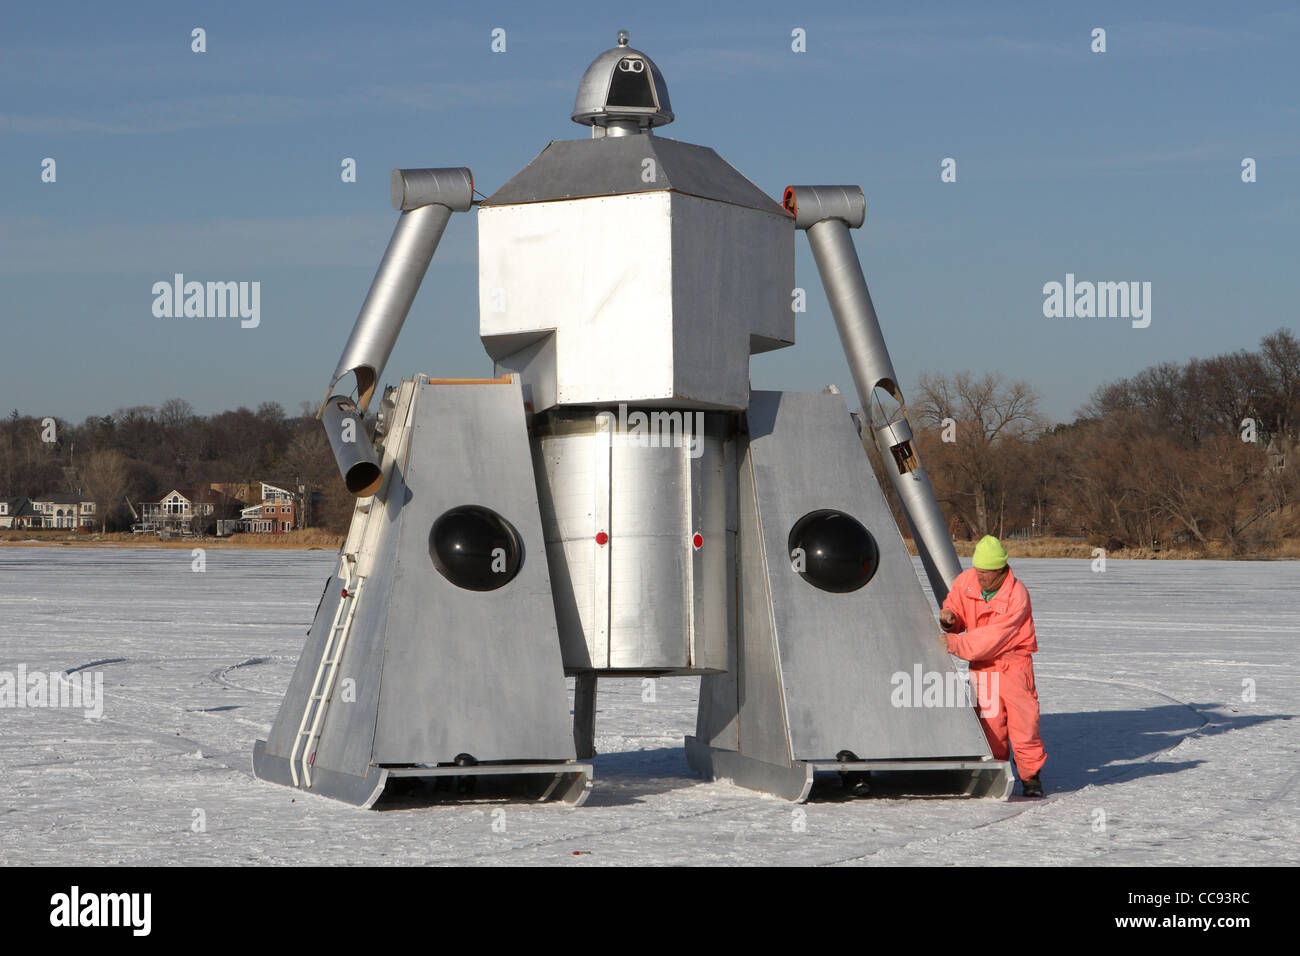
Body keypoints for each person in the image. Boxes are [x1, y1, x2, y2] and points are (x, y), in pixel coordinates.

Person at [939, 535, 1046, 797]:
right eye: (978, 569)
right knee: (989, 724)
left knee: (1024, 725)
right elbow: (955, 604)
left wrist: (955, 643)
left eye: (986, 572)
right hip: (982, 667)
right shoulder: (966, 581)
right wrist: (950, 619)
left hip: (1013, 665)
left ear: (1000, 570)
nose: (980, 576)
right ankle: (996, 772)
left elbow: (993, 638)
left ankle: (1031, 778)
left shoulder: (1016, 594)